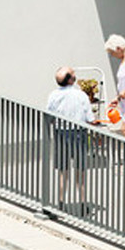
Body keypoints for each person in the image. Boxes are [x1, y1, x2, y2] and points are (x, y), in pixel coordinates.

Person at [46, 65, 93, 211]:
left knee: (63, 171)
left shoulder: (54, 95)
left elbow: (49, 116)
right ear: (71, 79)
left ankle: (61, 202)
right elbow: (89, 117)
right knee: (80, 170)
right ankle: (83, 203)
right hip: (79, 132)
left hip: (60, 132)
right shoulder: (81, 95)